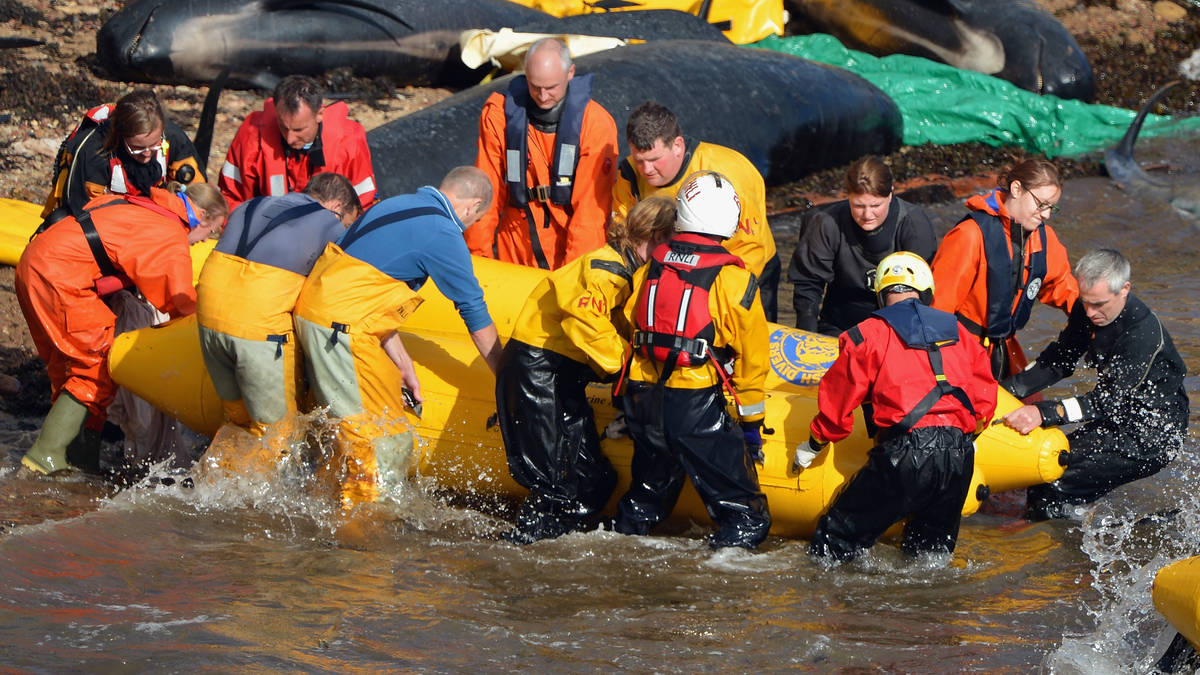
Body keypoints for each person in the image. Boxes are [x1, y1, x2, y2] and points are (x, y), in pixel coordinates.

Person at [292, 166, 501, 508]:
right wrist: (506, 377)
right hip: (341, 329)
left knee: (360, 434)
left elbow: (366, 290)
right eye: (476, 220)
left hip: (320, 314)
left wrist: (403, 362)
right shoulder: (443, 232)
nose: (470, 227)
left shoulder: (395, 204)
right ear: (472, 206)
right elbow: (474, 313)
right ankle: (361, 535)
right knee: (385, 441)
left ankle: (324, 507)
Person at [497, 196, 677, 544]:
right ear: (656, 235)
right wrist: (630, 372)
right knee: (554, 483)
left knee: (595, 479)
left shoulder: (631, 273)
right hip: (537, 371)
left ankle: (559, 544)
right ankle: (522, 549)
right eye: (673, 240)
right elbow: (584, 321)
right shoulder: (604, 268)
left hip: (562, 376)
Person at [16, 184, 227, 475]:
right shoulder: (169, 233)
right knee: (96, 367)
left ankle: (80, 461)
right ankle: (45, 458)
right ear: (201, 215)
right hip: (62, 278)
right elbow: (179, 302)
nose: (204, 241)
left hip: (35, 262)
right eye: (211, 232)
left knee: (66, 370)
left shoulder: (145, 205)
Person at [799, 251, 997, 562]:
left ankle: (833, 607)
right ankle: (924, 611)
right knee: (930, 557)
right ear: (926, 290)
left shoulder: (866, 334)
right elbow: (985, 400)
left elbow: (839, 400)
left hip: (906, 453)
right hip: (960, 455)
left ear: (880, 293)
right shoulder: (961, 332)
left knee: (835, 543)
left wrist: (814, 442)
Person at [613, 171, 771, 550]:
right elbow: (753, 361)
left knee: (647, 498)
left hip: (643, 401)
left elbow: (633, 317)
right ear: (730, 221)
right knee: (748, 519)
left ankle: (621, 543)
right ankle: (715, 585)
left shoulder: (653, 263)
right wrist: (752, 428)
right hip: (693, 405)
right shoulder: (733, 280)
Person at [1000, 249, 1188, 521]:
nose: (1090, 312)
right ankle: (1078, 521)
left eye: (1099, 304)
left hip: (1153, 435)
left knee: (1051, 481)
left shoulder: (1142, 335)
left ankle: (1062, 549)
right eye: (1085, 302)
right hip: (1119, 417)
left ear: (1124, 289)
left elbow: (1104, 402)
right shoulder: (1087, 309)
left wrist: (1042, 413)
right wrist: (1005, 392)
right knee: (1044, 466)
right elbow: (1060, 360)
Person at [197, 173, 362, 446]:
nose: (343, 228)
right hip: (258, 331)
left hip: (207, 322)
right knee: (279, 435)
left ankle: (212, 484)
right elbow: (333, 297)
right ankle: (264, 488)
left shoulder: (251, 204)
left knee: (237, 422)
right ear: (336, 207)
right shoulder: (328, 223)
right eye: (347, 221)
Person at [612, 100, 780, 321]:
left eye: (654, 160)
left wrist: (712, 294)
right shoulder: (628, 173)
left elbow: (750, 248)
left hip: (741, 272)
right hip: (670, 273)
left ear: (678, 145)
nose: (646, 170)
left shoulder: (730, 172)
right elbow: (624, 236)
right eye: (639, 160)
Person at [469, 38, 618, 270]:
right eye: (534, 86)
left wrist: (573, 279)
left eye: (551, 88)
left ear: (570, 73)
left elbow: (590, 216)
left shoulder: (595, 125)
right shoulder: (499, 117)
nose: (542, 95)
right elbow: (485, 191)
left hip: (567, 248)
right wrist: (478, 262)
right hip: (515, 248)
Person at [930, 158, 1078, 380]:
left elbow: (1064, 287)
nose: (1046, 215)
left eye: (1051, 207)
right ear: (1016, 189)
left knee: (1035, 413)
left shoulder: (1044, 239)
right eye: (1041, 204)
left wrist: (1099, 319)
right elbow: (936, 312)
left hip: (1005, 352)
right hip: (961, 353)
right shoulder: (970, 235)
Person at [788, 155, 937, 336]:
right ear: (848, 195)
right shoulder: (825, 222)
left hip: (895, 329)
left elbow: (925, 294)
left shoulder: (914, 224)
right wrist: (806, 338)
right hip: (838, 327)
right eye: (858, 205)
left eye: (875, 205)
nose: (867, 215)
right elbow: (807, 287)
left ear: (890, 194)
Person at [219, 75, 377, 212]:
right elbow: (230, 198)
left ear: (319, 115)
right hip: (265, 236)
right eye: (283, 127)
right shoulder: (252, 137)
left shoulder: (349, 142)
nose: (290, 139)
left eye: (299, 130)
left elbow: (363, 205)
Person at [42, 89, 206, 220]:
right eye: (137, 149)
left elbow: (200, 195)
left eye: (154, 145)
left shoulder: (174, 138)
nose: (147, 154)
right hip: (106, 222)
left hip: (154, 216)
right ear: (119, 136)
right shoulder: (94, 154)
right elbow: (82, 214)